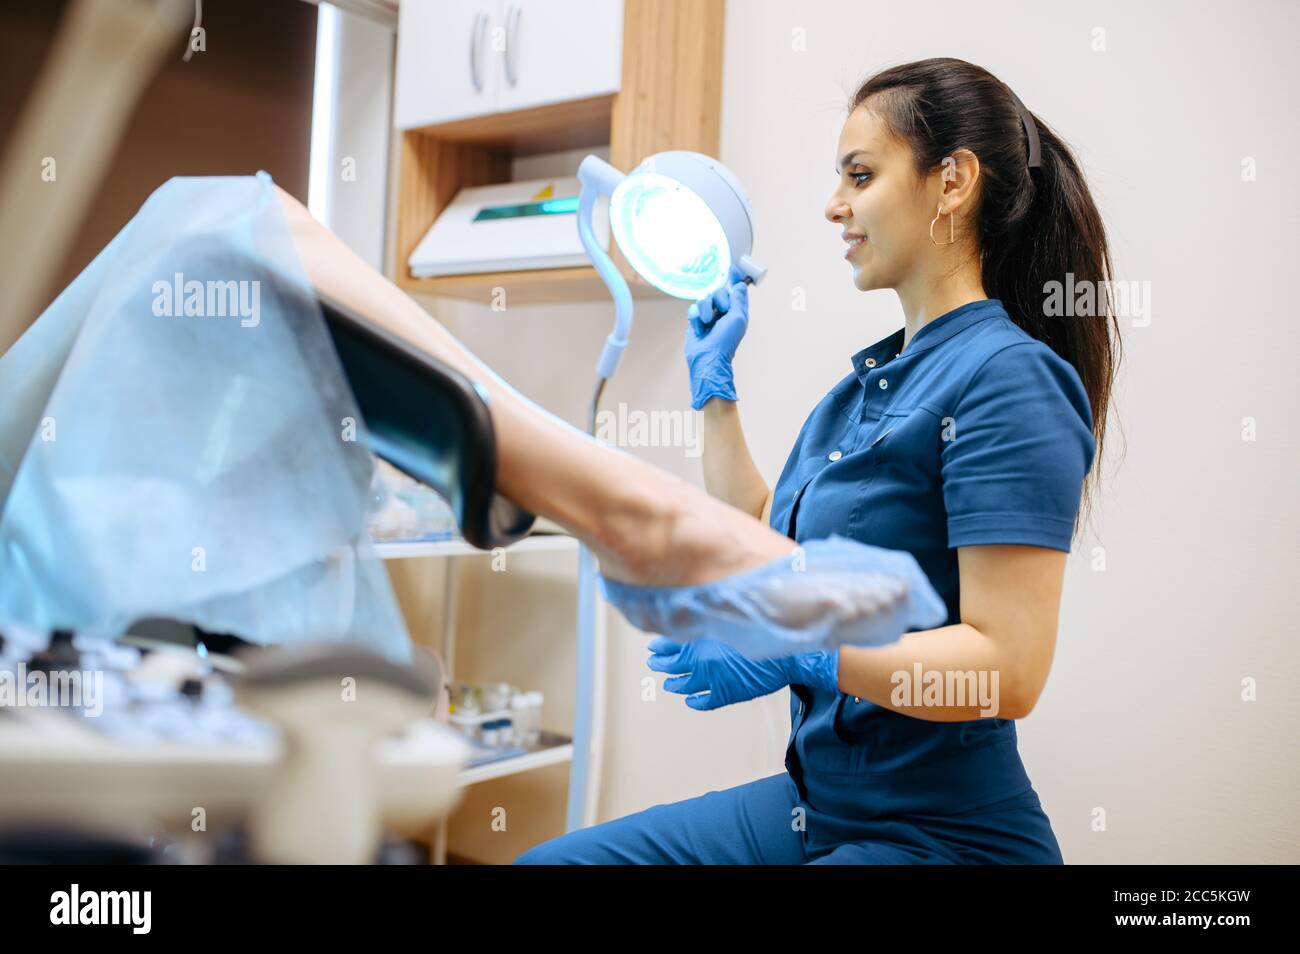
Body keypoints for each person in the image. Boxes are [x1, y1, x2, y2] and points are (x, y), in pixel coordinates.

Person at [513, 57, 1121, 864]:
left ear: (953, 182)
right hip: (817, 801)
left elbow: (1003, 672)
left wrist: (798, 644)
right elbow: (766, 533)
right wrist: (714, 388)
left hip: (940, 834)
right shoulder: (866, 385)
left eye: (860, 176)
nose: (835, 206)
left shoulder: (1007, 379)